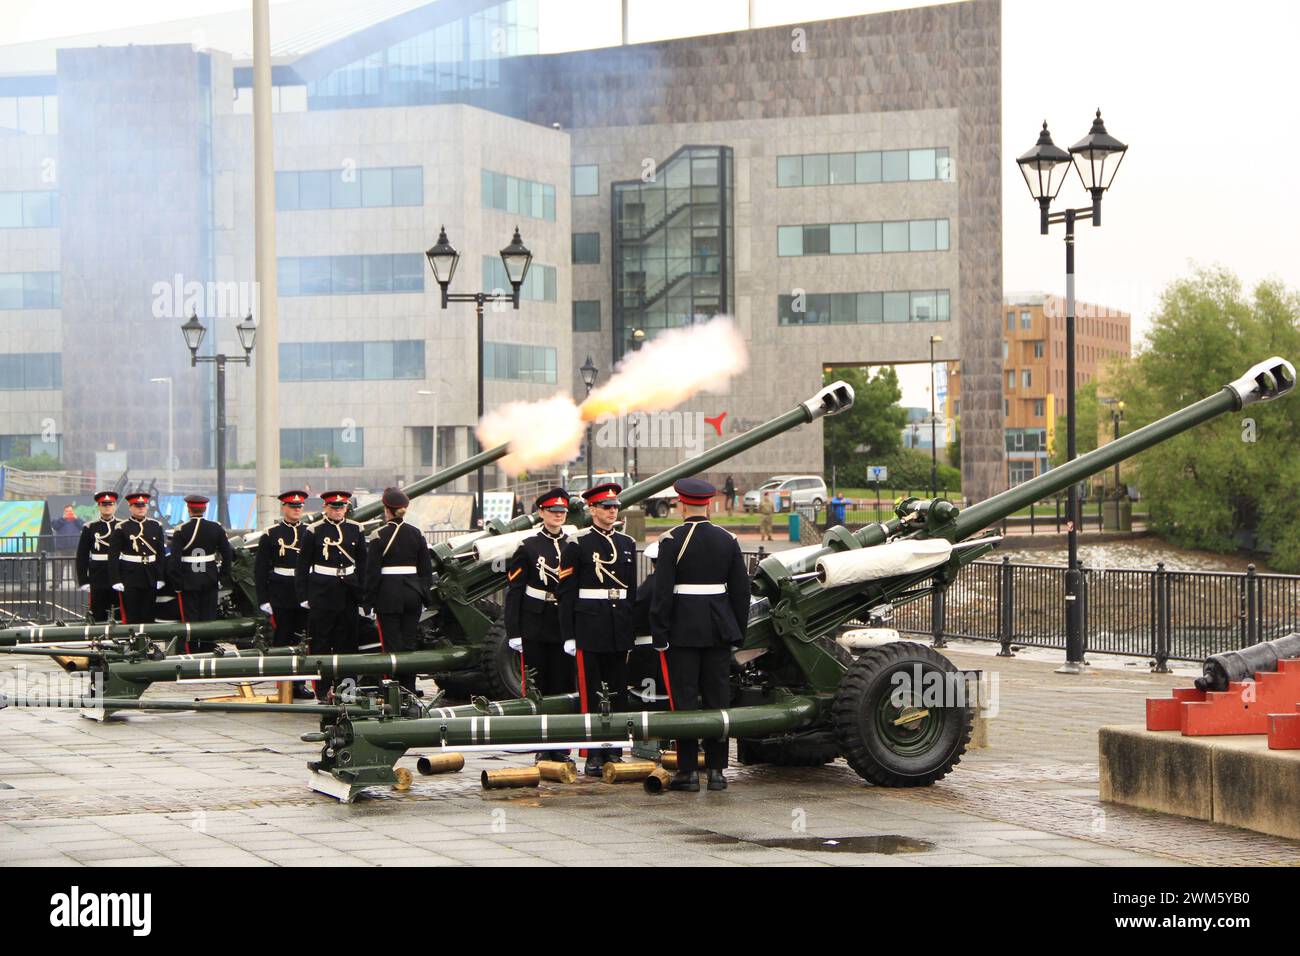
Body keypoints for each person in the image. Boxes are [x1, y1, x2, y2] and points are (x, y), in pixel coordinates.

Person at [650, 477, 750, 792]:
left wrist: (659, 633)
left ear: (681, 504)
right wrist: (737, 632)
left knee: (684, 700)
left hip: (682, 630)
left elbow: (662, 593)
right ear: (708, 504)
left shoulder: (670, 540)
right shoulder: (727, 539)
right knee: (718, 699)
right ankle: (718, 771)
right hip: (719, 628)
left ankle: (689, 771)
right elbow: (741, 592)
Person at [557, 482, 637, 777]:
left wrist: (633, 627)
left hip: (618, 626)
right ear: (592, 510)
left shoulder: (627, 543)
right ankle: (592, 752)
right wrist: (568, 634)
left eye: (616, 507)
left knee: (618, 691)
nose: (613, 512)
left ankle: (614, 748)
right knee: (591, 692)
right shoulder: (577, 544)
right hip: (589, 625)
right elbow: (565, 593)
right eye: (606, 507)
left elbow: (632, 590)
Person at [503, 488, 574, 763]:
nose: (558, 516)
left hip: (562, 625)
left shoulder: (572, 545)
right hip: (535, 622)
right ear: (541, 513)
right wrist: (514, 632)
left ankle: (561, 746)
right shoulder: (528, 546)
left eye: (562, 512)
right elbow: (515, 591)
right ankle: (542, 745)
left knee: (563, 686)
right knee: (538, 686)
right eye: (553, 512)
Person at [296, 490, 367, 702]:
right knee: (321, 641)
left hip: (348, 591)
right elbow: (303, 566)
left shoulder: (356, 529)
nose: (338, 511)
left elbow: (363, 564)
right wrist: (303, 595)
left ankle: (347, 689)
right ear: (325, 508)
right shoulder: (314, 530)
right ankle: (322, 689)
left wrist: (363, 596)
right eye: (333, 507)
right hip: (322, 591)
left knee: (348, 642)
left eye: (341, 507)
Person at [364, 487, 434, 696]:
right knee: (409, 642)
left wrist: (368, 602)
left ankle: (393, 688)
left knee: (391, 643)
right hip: (412, 593)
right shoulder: (416, 533)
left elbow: (372, 574)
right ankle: (409, 687)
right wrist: (424, 594)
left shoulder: (378, 535)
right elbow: (425, 570)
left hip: (388, 594)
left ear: (386, 509)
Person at [166, 494, 235, 648]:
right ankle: (208, 649)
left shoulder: (181, 530)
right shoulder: (215, 528)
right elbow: (228, 553)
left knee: (191, 621)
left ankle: (192, 651)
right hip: (210, 579)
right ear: (204, 509)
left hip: (188, 581)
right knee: (208, 619)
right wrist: (222, 576)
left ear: (188, 509)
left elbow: (174, 560)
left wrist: (177, 583)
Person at [254, 490, 310, 648]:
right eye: (292, 506)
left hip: (305, 590)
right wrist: (263, 599)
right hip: (281, 591)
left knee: (305, 634)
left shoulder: (310, 531)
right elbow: (261, 569)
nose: (297, 509)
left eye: (299, 506)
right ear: (283, 507)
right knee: (282, 635)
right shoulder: (271, 533)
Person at [107, 491, 166, 624]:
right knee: (131, 612)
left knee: (149, 612)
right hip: (130, 575)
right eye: (137, 506)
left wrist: (160, 577)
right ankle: (132, 641)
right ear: (130, 508)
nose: (140, 508)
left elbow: (160, 554)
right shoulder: (122, 527)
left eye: (143, 506)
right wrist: (116, 579)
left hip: (150, 574)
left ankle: (147, 642)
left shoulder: (155, 526)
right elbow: (113, 556)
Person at [75, 491, 120, 622]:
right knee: (98, 612)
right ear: (99, 506)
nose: (107, 507)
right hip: (98, 574)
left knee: (119, 612)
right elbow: (82, 555)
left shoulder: (122, 526)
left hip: (118, 573)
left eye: (110, 504)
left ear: (115, 506)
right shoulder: (90, 527)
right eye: (104, 504)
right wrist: (83, 580)